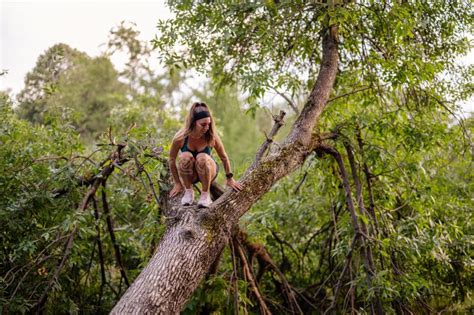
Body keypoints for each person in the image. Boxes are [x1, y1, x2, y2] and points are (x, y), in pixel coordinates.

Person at [169, 102, 243, 207]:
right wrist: (177, 183)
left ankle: (205, 195)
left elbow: (224, 156)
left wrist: (229, 178)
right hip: (191, 174)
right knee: (184, 156)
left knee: (202, 157)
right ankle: (189, 192)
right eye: (203, 124)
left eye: (209, 123)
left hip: (209, 169)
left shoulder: (212, 136)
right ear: (193, 123)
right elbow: (171, 160)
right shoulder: (180, 137)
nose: (207, 127)